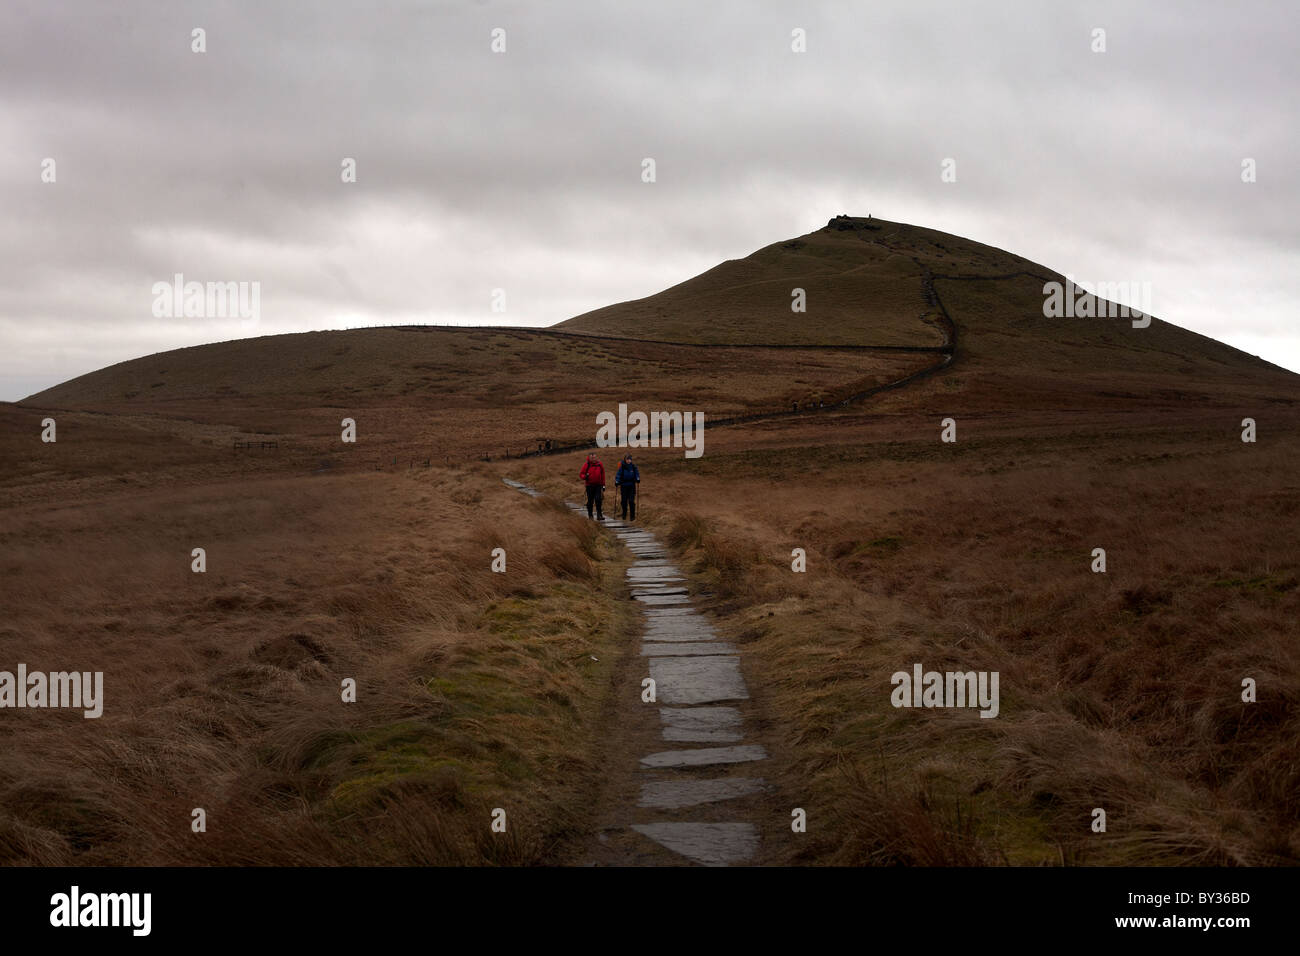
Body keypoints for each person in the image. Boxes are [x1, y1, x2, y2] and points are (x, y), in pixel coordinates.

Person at [579, 453, 606, 520]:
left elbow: (603, 475)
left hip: (598, 485)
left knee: (598, 499)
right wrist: (585, 476)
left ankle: (599, 515)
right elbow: (581, 474)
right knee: (590, 501)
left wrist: (603, 485)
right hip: (589, 485)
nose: (593, 459)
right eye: (592, 458)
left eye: (594, 457)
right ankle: (590, 515)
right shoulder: (587, 464)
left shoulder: (599, 464)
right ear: (589, 458)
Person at [614, 454, 640, 521]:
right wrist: (617, 481)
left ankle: (632, 516)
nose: (629, 461)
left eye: (630, 459)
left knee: (631, 501)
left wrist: (637, 478)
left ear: (631, 460)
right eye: (627, 459)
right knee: (624, 501)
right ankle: (624, 514)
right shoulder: (622, 467)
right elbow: (618, 475)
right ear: (625, 460)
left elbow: (637, 474)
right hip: (624, 486)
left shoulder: (633, 467)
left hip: (631, 486)